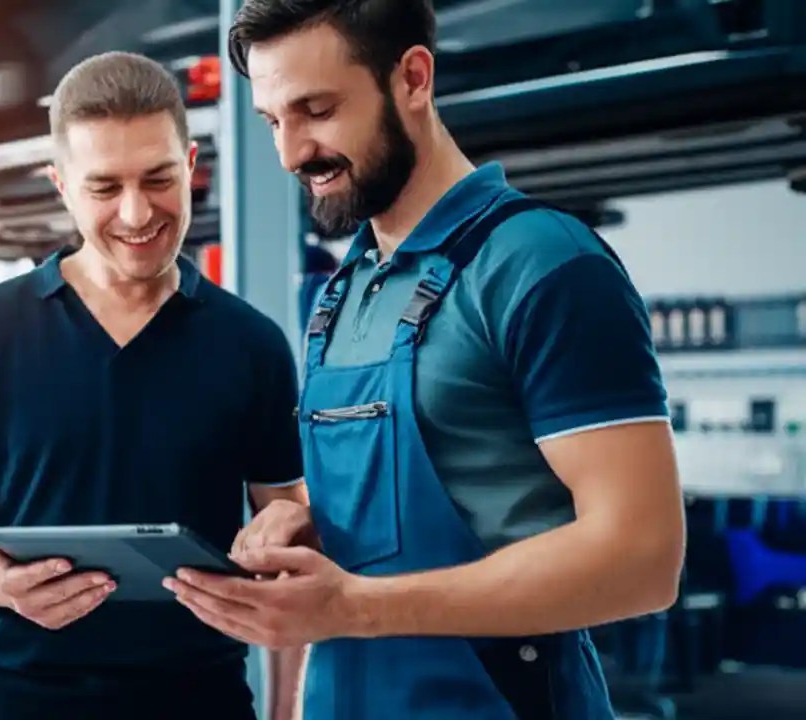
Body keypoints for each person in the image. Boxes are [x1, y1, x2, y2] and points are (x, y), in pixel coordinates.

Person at [165, 2, 687, 718]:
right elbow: (445, 493)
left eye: (316, 109)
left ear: (412, 78)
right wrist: (311, 525)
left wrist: (355, 607)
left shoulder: (544, 264)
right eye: (272, 121)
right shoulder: (345, 289)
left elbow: (643, 557)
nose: (291, 154)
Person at [0, 51, 309, 720]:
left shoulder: (252, 345)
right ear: (61, 184)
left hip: (200, 702)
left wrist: (288, 713)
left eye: (158, 178)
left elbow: (288, 548)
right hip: (18, 701)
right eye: (104, 187)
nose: (137, 212)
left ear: (192, 164)